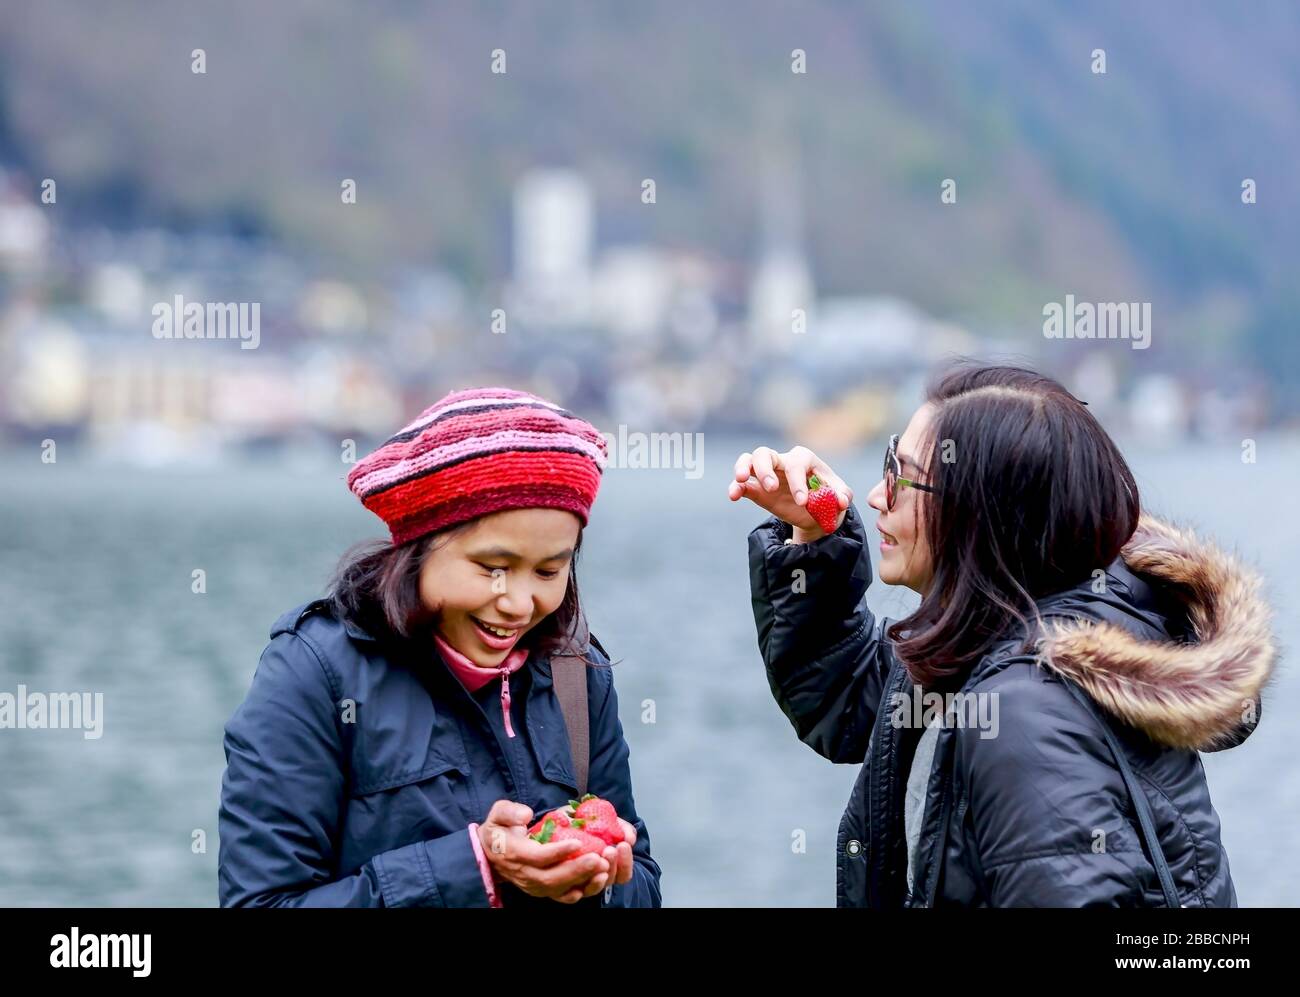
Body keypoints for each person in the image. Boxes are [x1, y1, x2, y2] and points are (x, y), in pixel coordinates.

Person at [731, 363, 1274, 907]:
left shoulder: (1023, 710)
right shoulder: (1007, 640)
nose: (876, 495)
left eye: (900, 472)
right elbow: (854, 705)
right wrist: (813, 539)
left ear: (978, 509)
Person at [219, 387, 661, 907]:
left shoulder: (577, 674)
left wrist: (594, 880)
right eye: (492, 568)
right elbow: (260, 902)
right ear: (419, 548)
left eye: (549, 570)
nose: (519, 603)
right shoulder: (314, 674)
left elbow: (644, 882)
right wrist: (478, 868)